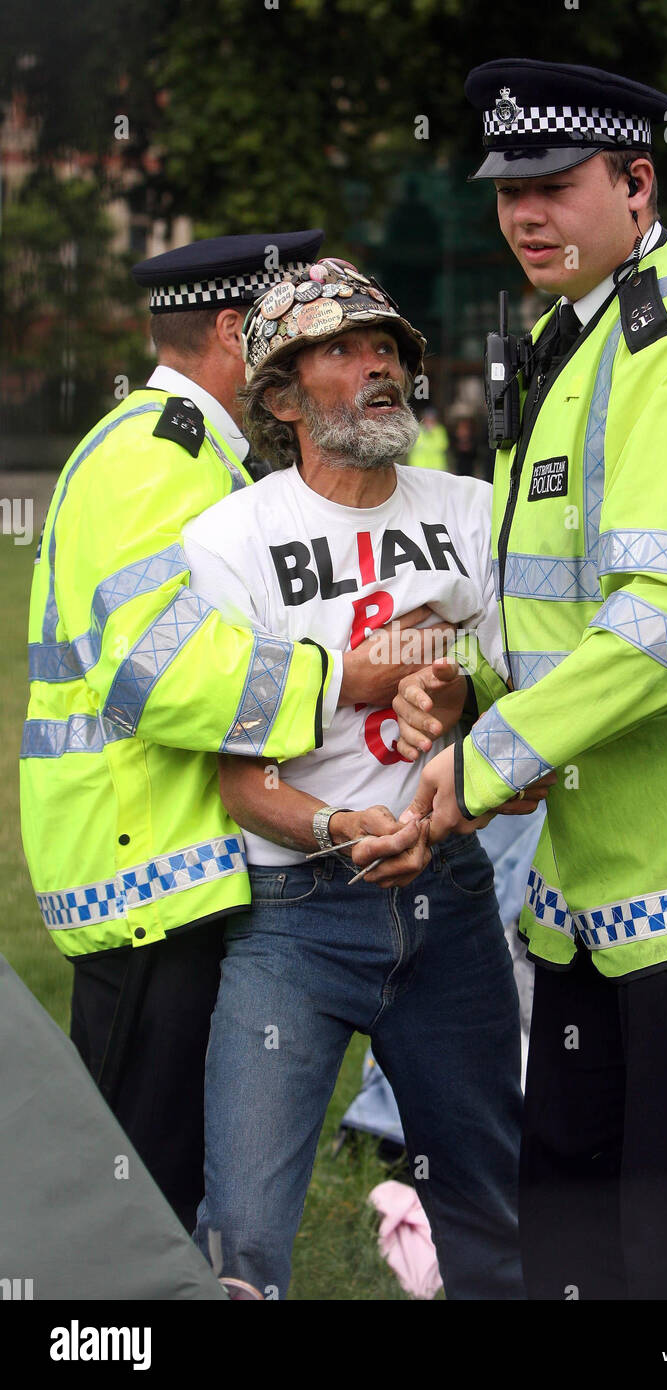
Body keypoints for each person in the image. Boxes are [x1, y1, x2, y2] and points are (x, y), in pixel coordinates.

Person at [393, 59, 667, 1300]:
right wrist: (471, 688)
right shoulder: (574, 337)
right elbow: (570, 596)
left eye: (554, 185)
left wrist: (490, 758)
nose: (524, 215)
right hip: (595, 876)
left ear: (637, 184)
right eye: (506, 191)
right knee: (577, 1214)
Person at [19, 232, 439, 1232]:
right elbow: (159, 670)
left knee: (180, 1173)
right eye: (284, 324)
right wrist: (347, 674)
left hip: (175, 861)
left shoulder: (194, 451)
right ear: (226, 329)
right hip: (150, 871)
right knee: (135, 1191)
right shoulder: (152, 456)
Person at [183, 256, 550, 1298]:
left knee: (492, 1204)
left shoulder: (475, 513)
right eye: (341, 350)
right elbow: (242, 782)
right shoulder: (229, 542)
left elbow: (527, 709)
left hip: (452, 903)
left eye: (385, 345)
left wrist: (463, 711)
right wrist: (345, 827)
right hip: (294, 916)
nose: (377, 365)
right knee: (244, 1230)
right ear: (284, 397)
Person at [405, 405, 450, 470]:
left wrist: (432, 433)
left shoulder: (440, 430)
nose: (429, 422)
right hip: (419, 466)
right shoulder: (417, 430)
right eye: (427, 419)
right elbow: (413, 445)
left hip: (436, 467)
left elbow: (443, 445)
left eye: (431, 419)